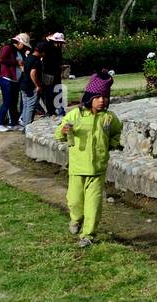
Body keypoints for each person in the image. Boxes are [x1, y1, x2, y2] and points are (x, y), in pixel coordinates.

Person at [55, 71, 122, 248]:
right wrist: (63, 132)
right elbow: (59, 133)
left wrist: (113, 143)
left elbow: (116, 132)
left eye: (105, 97)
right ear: (90, 97)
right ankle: (76, 219)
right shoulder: (75, 115)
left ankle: (88, 234)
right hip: (77, 168)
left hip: (97, 169)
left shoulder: (109, 118)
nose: (102, 101)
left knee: (93, 204)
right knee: (75, 200)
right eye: (98, 97)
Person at [0, 33, 29, 132]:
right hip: (6, 79)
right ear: (19, 42)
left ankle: (13, 123)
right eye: (24, 44)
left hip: (14, 80)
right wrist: (16, 63)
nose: (24, 46)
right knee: (7, 102)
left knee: (13, 102)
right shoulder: (7, 48)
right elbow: (2, 60)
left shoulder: (17, 51)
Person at [39, 31, 66, 117]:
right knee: (49, 92)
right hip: (48, 74)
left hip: (55, 73)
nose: (60, 45)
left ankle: (58, 110)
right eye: (59, 43)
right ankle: (51, 111)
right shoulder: (47, 46)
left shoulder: (57, 49)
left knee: (57, 91)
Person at [19, 42, 45, 128]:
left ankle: (24, 124)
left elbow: (23, 69)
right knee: (30, 107)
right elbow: (33, 73)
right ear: (42, 52)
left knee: (26, 106)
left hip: (23, 84)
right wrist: (37, 85)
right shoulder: (36, 60)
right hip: (31, 86)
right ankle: (28, 127)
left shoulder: (28, 58)